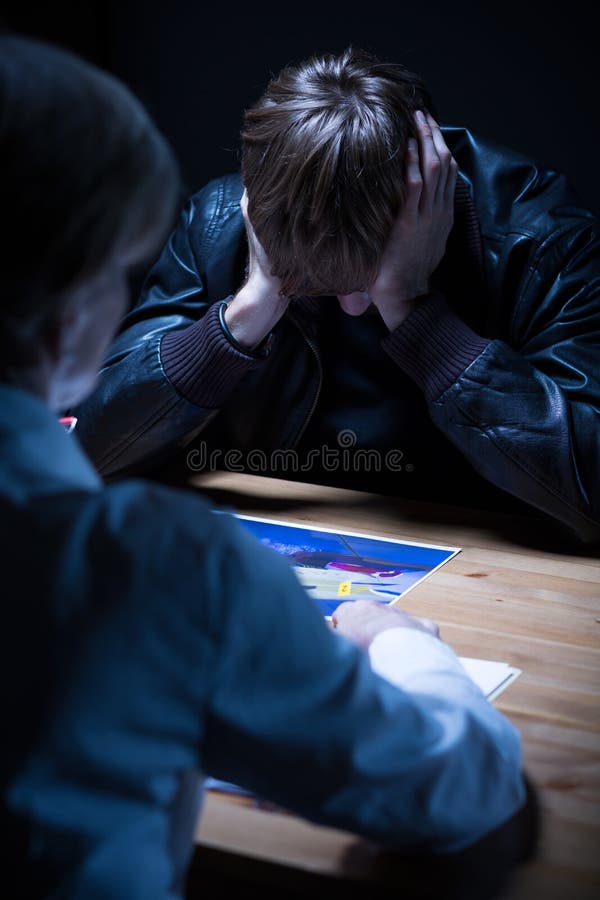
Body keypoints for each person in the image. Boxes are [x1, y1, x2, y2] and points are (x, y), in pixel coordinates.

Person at [0, 34, 533, 900]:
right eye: (115, 273)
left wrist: (416, 315)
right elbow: (457, 784)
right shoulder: (161, 570)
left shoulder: (535, 234)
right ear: (67, 320)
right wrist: (391, 636)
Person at [74, 47, 600, 545]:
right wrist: (246, 312)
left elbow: (590, 493)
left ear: (428, 197)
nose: (353, 308)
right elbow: (86, 454)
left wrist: (415, 312)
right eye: (314, 285)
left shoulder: (542, 239)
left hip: (493, 573)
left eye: (369, 281)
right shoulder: (218, 223)